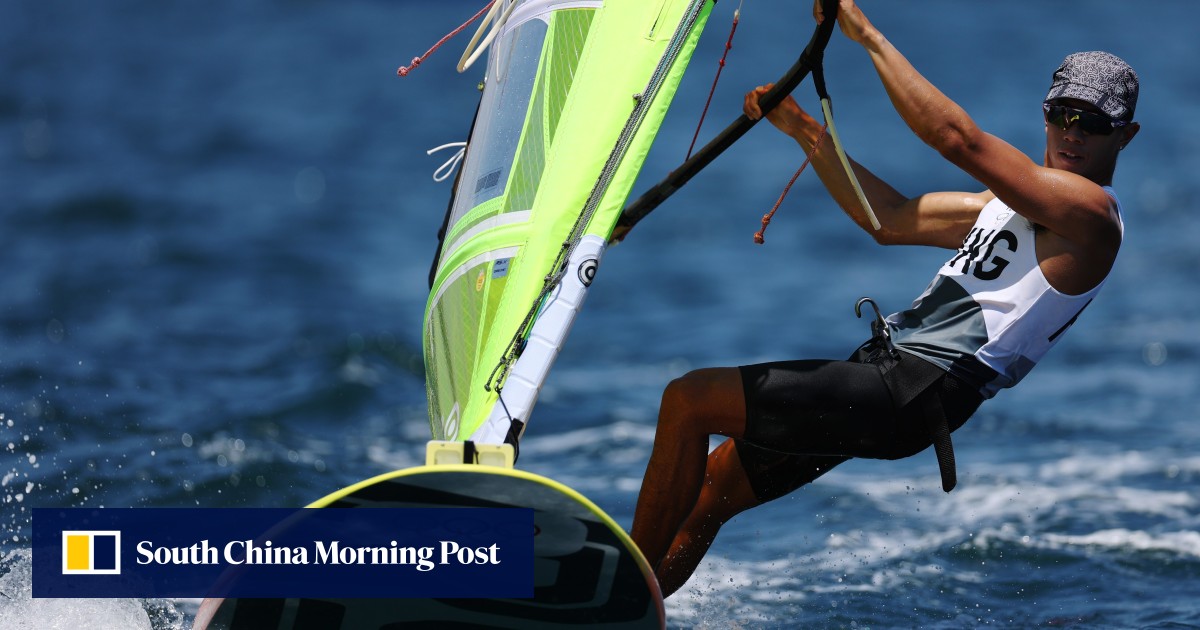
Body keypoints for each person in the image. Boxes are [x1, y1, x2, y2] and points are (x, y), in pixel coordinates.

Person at [630, 0, 1140, 598]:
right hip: (886, 375)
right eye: (1064, 114)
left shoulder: (1094, 218)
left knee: (689, 400)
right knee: (716, 486)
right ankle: (644, 609)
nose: (1074, 133)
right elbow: (888, 218)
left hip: (917, 389)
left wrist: (865, 34)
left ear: (1124, 136)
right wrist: (805, 132)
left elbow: (958, 139)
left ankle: (614, 594)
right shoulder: (1000, 206)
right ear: (1047, 114)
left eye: (1094, 123)